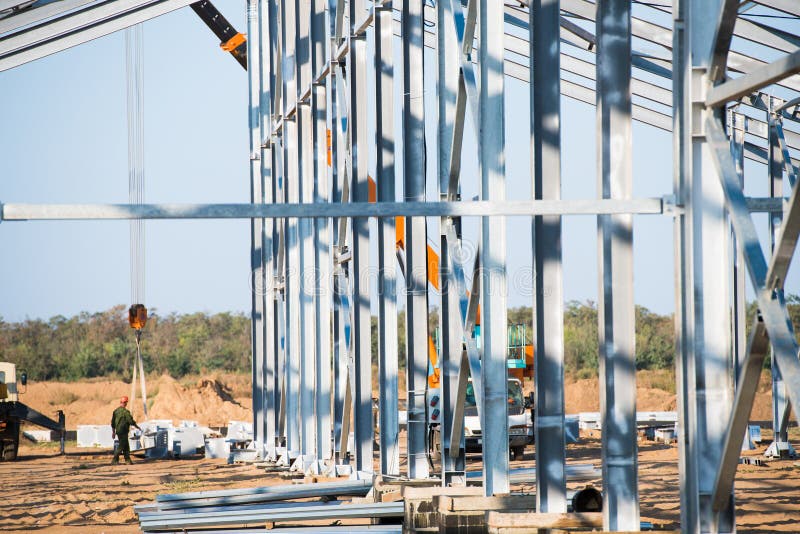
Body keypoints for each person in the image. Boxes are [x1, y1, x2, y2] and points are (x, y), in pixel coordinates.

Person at [111, 396, 141, 465]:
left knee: (126, 446)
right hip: (123, 431)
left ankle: (128, 460)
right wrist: (136, 426)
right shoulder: (126, 412)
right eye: (126, 402)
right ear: (125, 403)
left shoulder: (115, 411)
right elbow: (130, 421)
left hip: (118, 432)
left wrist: (113, 432)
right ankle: (114, 460)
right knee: (121, 446)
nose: (126, 404)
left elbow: (112, 423)